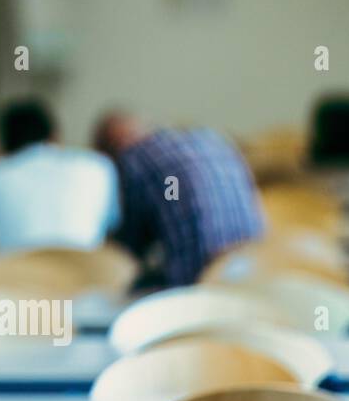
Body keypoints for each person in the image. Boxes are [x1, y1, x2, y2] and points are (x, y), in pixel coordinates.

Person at [0, 99, 120, 267]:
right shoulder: (99, 166)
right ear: (55, 135)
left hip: (21, 282)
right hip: (91, 277)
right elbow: (110, 229)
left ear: (1, 144)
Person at [92, 111, 263, 286]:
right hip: (256, 265)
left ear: (111, 149)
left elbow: (130, 247)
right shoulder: (210, 137)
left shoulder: (134, 158)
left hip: (199, 276)